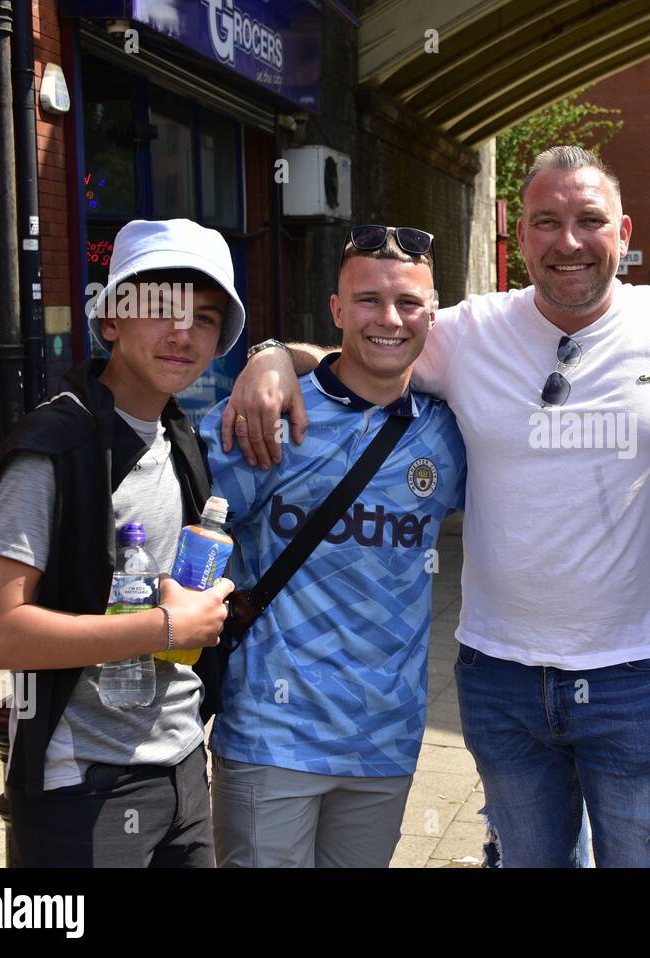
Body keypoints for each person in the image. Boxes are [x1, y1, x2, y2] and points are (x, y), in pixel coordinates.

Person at [219, 147, 650, 867]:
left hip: (635, 677)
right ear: (519, 235)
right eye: (546, 221)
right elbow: (371, 347)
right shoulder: (466, 332)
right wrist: (276, 355)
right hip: (498, 676)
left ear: (623, 232)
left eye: (589, 220)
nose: (568, 241)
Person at [0, 218, 241, 867]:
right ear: (112, 318)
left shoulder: (181, 440)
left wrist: (278, 357)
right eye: (161, 309)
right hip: (81, 790)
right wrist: (163, 625)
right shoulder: (55, 447)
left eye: (203, 318)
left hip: (180, 767)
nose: (183, 332)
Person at [201, 227, 465, 868]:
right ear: (337, 311)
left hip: (385, 739)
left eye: (407, 303)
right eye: (368, 300)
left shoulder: (450, 435)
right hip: (274, 733)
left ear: (433, 315)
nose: (389, 319)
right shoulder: (268, 415)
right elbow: (175, 522)